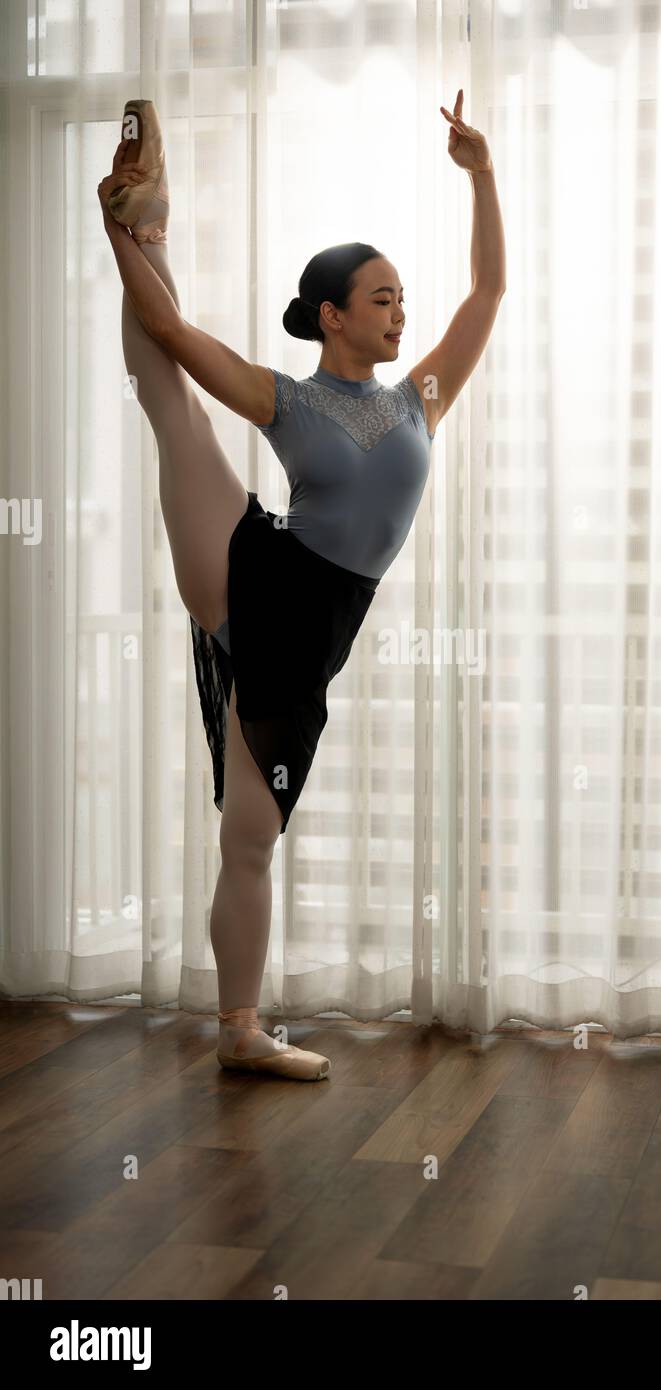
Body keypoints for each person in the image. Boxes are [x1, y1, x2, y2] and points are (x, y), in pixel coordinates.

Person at [97, 91, 506, 1080]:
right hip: (254, 569)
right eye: (381, 298)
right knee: (171, 402)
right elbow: (166, 329)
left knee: (250, 839)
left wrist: (481, 174)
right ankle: (143, 211)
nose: (402, 311)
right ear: (331, 315)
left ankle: (239, 1031)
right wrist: (125, 239)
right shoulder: (287, 397)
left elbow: (487, 295)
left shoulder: (423, 401)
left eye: (404, 297)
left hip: (314, 636)